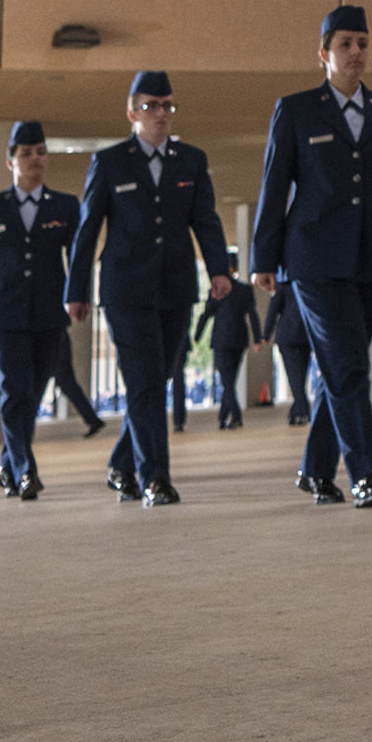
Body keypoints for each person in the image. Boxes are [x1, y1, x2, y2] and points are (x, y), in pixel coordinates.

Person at [255, 6, 372, 509]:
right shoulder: (295, 110)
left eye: (363, 42)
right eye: (345, 44)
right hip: (315, 257)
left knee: (345, 367)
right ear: (324, 53)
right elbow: (275, 185)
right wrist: (263, 256)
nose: (356, 51)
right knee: (345, 364)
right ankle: (366, 472)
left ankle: (316, 470)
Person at [74, 73, 235, 508]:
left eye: (167, 106)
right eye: (151, 106)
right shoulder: (109, 162)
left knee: (157, 378)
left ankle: (121, 463)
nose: (161, 114)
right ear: (132, 113)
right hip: (126, 289)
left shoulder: (191, 160)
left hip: (176, 286)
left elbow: (206, 219)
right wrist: (77, 290)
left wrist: (219, 269)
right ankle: (155, 479)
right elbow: (88, 230)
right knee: (144, 382)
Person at [0, 120, 80, 501]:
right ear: (11, 162)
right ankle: (26, 471)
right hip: (4, 313)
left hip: (48, 313)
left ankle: (7, 463)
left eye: (40, 152)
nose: (35, 158)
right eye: (26, 153)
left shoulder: (65, 206)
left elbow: (78, 256)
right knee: (14, 390)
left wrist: (80, 296)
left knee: (33, 393)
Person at [195, 257, 258, 430]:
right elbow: (252, 315)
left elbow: (206, 314)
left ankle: (235, 416)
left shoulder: (217, 291)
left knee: (227, 381)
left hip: (221, 340)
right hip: (239, 339)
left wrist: (197, 335)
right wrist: (258, 338)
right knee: (229, 379)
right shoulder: (245, 290)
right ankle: (223, 417)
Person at [265, 279, 313, 425]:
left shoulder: (283, 287)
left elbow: (273, 310)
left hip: (287, 336)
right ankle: (297, 410)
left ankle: (303, 410)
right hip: (305, 335)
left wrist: (265, 335)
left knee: (294, 375)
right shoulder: (308, 284)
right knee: (300, 375)